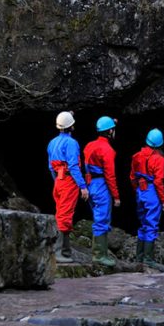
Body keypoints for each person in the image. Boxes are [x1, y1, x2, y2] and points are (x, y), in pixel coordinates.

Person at [47, 111, 88, 263]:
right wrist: (82, 186)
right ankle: (58, 253)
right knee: (65, 216)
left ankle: (65, 251)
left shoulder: (52, 142)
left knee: (61, 213)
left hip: (58, 180)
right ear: (71, 126)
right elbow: (74, 166)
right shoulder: (71, 143)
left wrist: (57, 180)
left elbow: (50, 167)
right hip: (68, 181)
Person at [83, 116, 121, 266]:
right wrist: (116, 196)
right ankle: (99, 255)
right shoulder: (108, 150)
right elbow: (110, 176)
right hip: (101, 186)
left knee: (98, 217)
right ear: (110, 131)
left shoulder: (89, 145)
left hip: (90, 184)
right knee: (102, 219)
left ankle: (101, 253)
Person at [131, 128, 164, 266]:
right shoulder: (159, 159)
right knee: (151, 224)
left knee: (142, 224)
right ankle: (148, 259)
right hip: (152, 191)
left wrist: (137, 190)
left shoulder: (136, 156)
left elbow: (132, 177)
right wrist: (163, 201)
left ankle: (139, 257)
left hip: (140, 191)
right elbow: (158, 182)